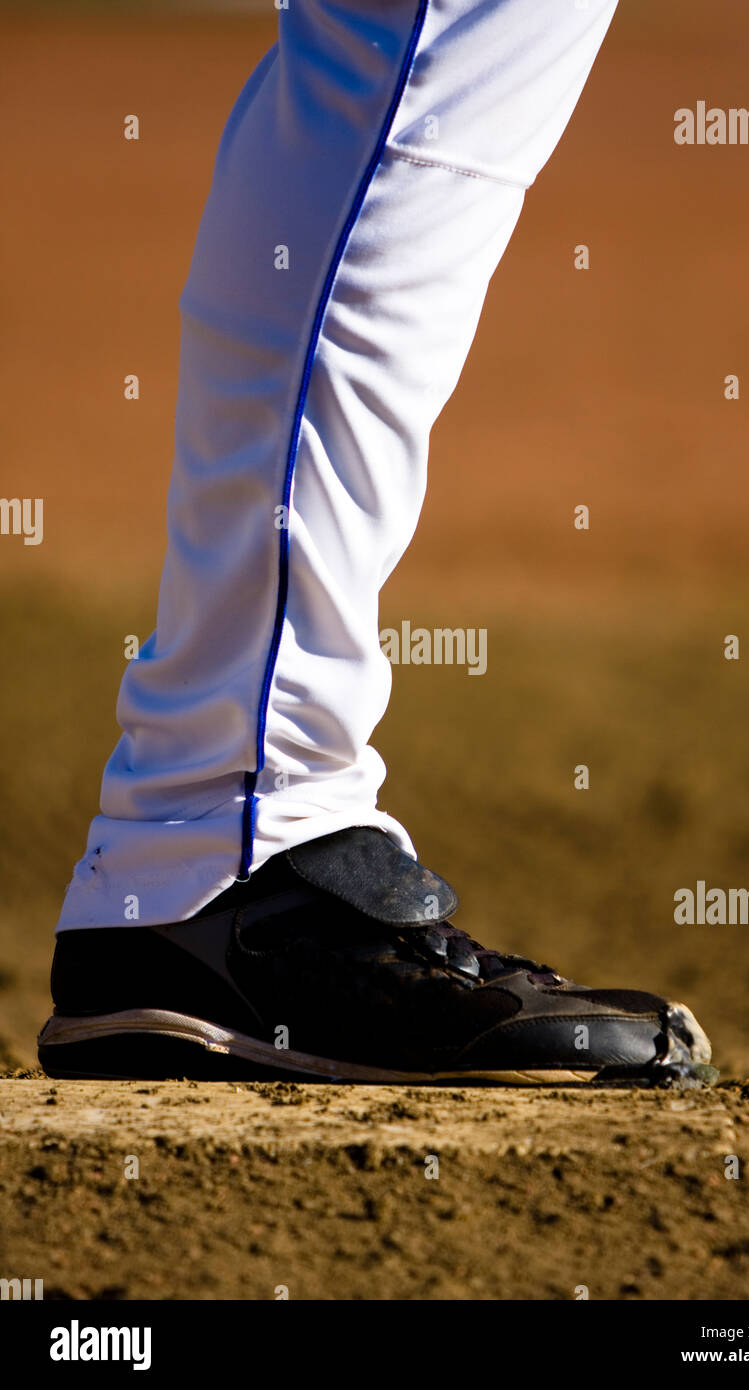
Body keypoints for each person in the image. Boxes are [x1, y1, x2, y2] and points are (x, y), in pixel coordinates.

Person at [38, 0, 713, 1086]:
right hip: (217, 861)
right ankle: (224, 839)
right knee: (425, 41)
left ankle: (208, 834)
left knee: (411, 48)